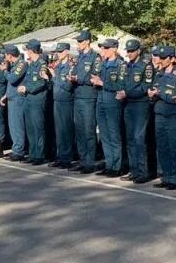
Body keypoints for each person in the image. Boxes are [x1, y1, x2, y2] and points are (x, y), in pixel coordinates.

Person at [151, 45, 176, 190]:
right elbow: (154, 90)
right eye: (161, 57)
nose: (162, 60)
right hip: (159, 113)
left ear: (172, 59)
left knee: (173, 147)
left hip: (172, 114)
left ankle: (175, 178)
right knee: (162, 147)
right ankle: (165, 175)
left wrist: (160, 94)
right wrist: (153, 95)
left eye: (165, 58)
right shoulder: (158, 74)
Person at [121, 39, 154, 183]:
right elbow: (122, 83)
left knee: (139, 138)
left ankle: (143, 171)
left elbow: (145, 87)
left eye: (132, 51)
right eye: (128, 51)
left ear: (138, 50)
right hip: (128, 104)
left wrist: (127, 93)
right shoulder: (127, 66)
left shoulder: (146, 66)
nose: (129, 53)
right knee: (130, 139)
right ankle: (133, 170)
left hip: (141, 104)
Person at [71, 30, 103, 174]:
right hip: (78, 96)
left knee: (89, 130)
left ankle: (90, 162)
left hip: (89, 97)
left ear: (87, 42)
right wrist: (75, 78)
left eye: (80, 41)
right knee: (79, 131)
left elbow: (93, 77)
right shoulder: (79, 57)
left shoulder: (95, 57)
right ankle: (83, 160)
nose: (78, 44)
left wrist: (78, 79)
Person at [94, 38, 127, 176]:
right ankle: (109, 164)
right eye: (102, 48)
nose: (103, 51)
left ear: (114, 49)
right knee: (104, 135)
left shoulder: (121, 65)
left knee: (114, 135)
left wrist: (102, 83)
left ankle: (117, 166)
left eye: (106, 48)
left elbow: (121, 85)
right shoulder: (103, 64)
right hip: (101, 100)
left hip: (113, 102)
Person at [21, 39, 50, 164]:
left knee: (38, 128)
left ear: (32, 50)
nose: (27, 52)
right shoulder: (31, 64)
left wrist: (27, 88)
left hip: (37, 100)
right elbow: (27, 80)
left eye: (27, 49)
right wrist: (23, 87)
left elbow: (41, 82)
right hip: (28, 99)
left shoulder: (42, 64)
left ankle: (40, 155)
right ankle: (33, 154)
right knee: (31, 128)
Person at [49, 42, 76, 169]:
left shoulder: (70, 67)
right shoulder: (59, 66)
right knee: (59, 131)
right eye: (57, 52)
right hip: (57, 100)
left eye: (60, 52)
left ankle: (67, 158)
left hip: (66, 101)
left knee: (66, 130)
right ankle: (61, 156)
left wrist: (54, 77)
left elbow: (67, 86)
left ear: (66, 52)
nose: (58, 54)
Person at [3, 44, 29, 161]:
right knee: (13, 126)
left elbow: (13, 79)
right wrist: (6, 95)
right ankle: (16, 149)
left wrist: (5, 71)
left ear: (10, 55)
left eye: (5, 54)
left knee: (17, 126)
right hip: (12, 98)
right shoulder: (14, 65)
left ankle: (19, 151)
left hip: (18, 99)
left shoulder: (21, 64)